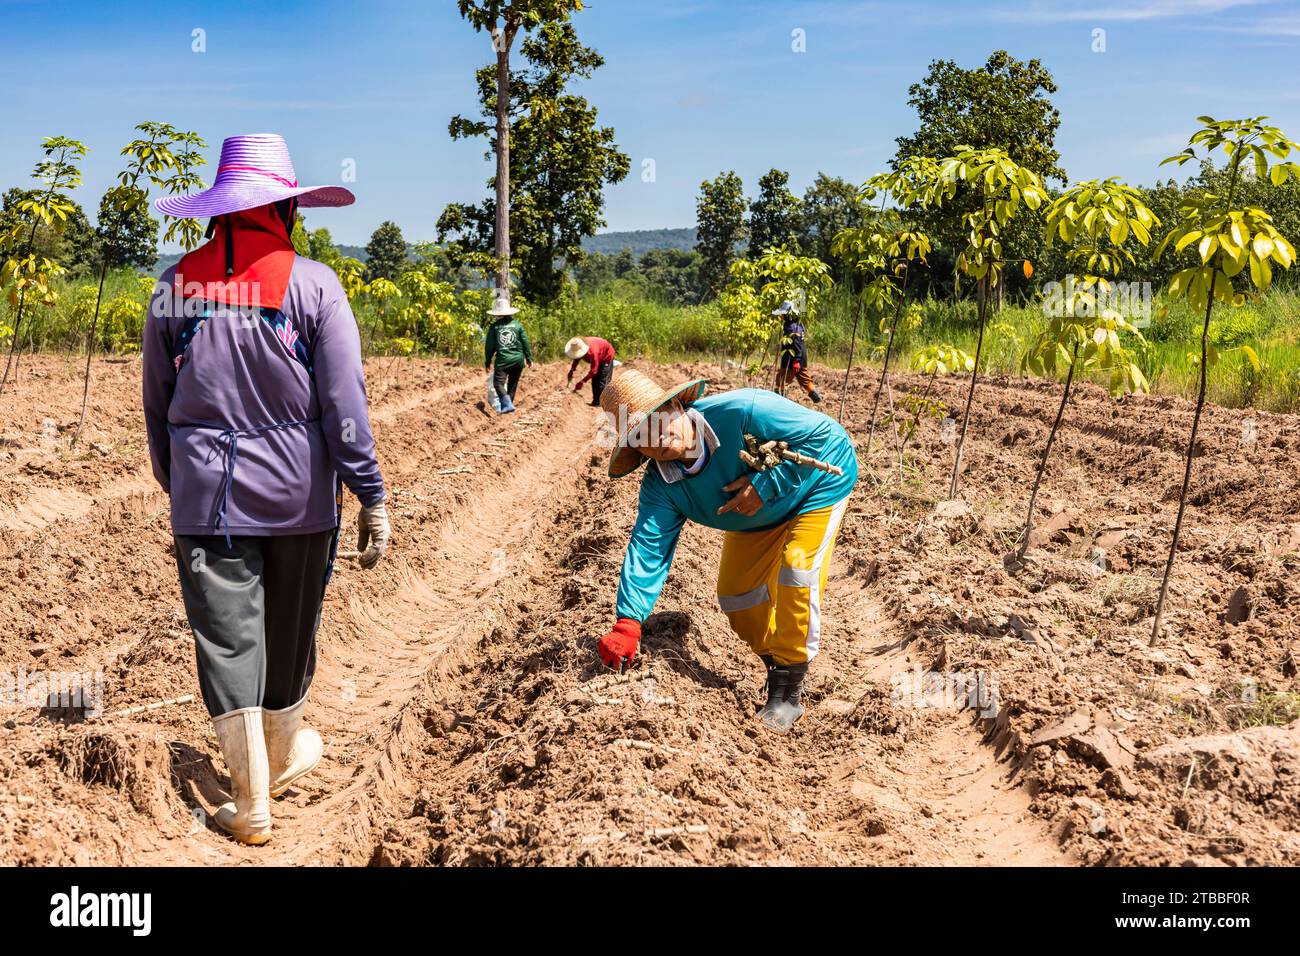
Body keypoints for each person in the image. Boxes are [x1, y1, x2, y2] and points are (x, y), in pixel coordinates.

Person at [142, 133, 391, 845]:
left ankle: (254, 797)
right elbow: (345, 409)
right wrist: (370, 493)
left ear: (217, 214)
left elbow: (158, 408)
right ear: (284, 208)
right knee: (288, 636)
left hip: (206, 500)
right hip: (300, 499)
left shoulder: (174, 287)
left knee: (227, 642)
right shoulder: (315, 286)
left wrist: (181, 486)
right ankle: (275, 771)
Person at [594, 369, 857, 733]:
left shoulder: (743, 411)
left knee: (797, 567)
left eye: (656, 420)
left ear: (675, 404)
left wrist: (767, 483)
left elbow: (829, 438)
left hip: (817, 489)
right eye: (639, 435)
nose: (654, 437)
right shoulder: (662, 486)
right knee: (738, 598)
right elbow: (649, 545)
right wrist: (628, 622)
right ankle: (775, 663)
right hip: (757, 520)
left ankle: (788, 688)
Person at [484, 295, 532, 414]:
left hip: (503, 361)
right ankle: (509, 409)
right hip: (518, 360)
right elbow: (525, 341)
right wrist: (529, 358)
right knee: (512, 384)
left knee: (498, 383)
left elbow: (490, 346)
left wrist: (487, 360)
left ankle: (507, 405)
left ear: (497, 313)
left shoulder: (494, 327)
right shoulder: (517, 325)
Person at [773, 300, 822, 404]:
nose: (781, 315)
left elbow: (796, 343)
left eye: (783, 313)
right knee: (805, 380)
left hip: (791, 359)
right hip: (801, 358)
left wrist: (796, 360)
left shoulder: (790, 327)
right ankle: (817, 398)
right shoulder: (799, 324)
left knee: (780, 379)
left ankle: (780, 402)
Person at [564, 335, 616, 406]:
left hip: (606, 356)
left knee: (602, 380)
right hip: (598, 354)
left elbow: (594, 371)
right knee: (594, 380)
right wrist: (572, 370)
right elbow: (577, 358)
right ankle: (596, 402)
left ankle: (604, 403)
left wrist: (582, 382)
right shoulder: (581, 347)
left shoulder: (593, 352)